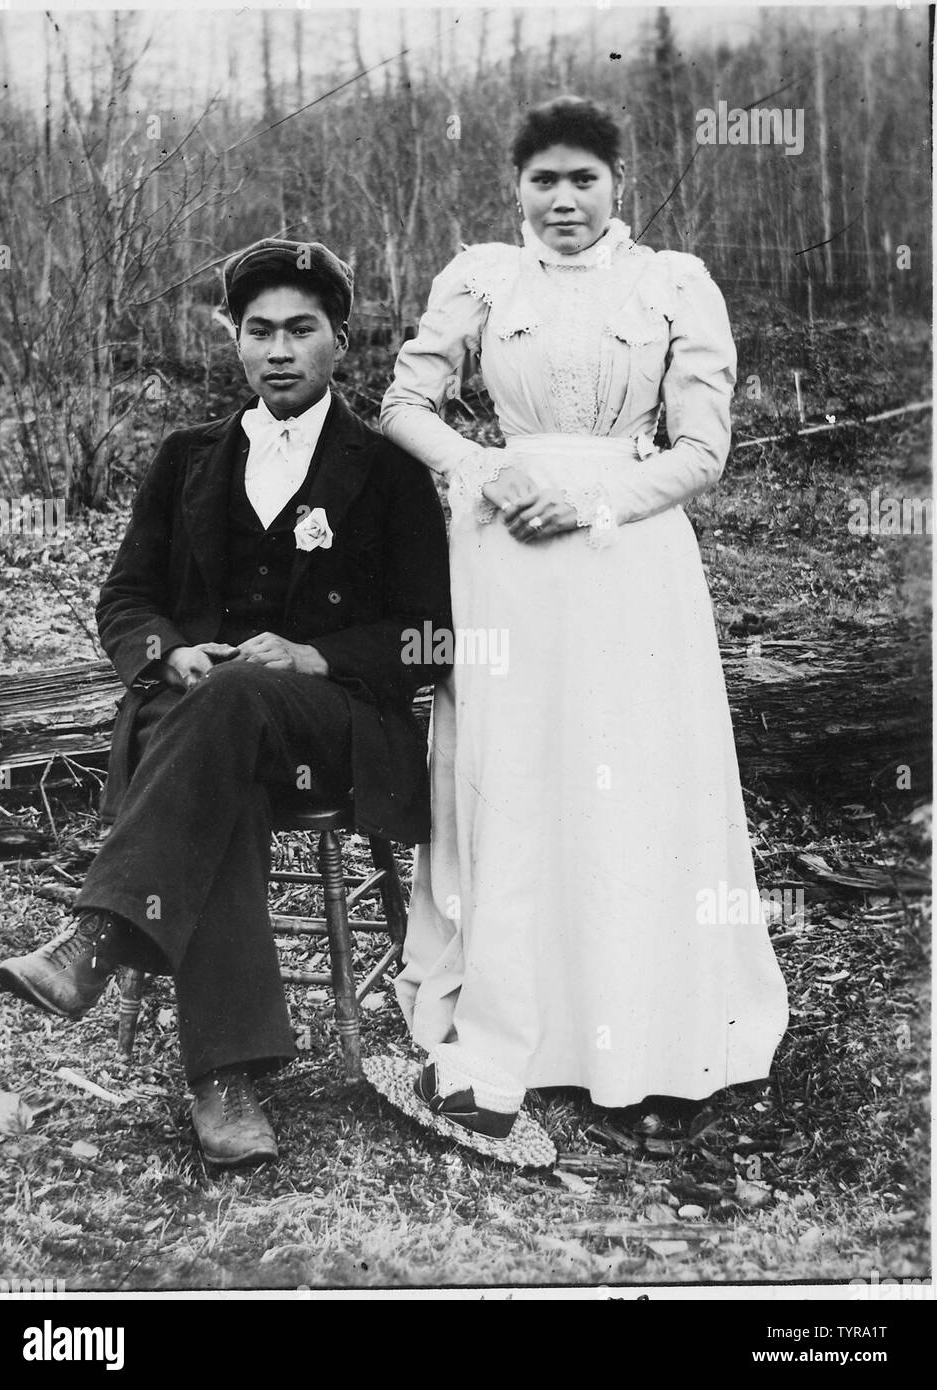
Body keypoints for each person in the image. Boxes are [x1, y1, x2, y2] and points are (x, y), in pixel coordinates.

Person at [379, 96, 789, 1140]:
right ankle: (521, 1025)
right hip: (504, 558)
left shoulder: (671, 283)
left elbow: (701, 449)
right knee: (519, 770)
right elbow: (404, 404)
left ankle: (654, 1031)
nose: (562, 199)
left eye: (583, 179)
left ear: (617, 185)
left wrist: (600, 498)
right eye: (542, 180)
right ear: (515, 188)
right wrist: (483, 466)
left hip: (627, 561)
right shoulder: (479, 276)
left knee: (635, 775)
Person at [0, 238, 451, 1167]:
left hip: (337, 730)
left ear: (340, 343)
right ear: (234, 343)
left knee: (241, 704)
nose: (278, 350)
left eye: (300, 330)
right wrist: (168, 652)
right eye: (257, 332)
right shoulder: (188, 458)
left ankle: (99, 933)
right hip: (202, 728)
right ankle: (223, 1082)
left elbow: (431, 639)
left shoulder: (390, 470)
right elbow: (125, 599)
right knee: (223, 762)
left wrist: (317, 655)